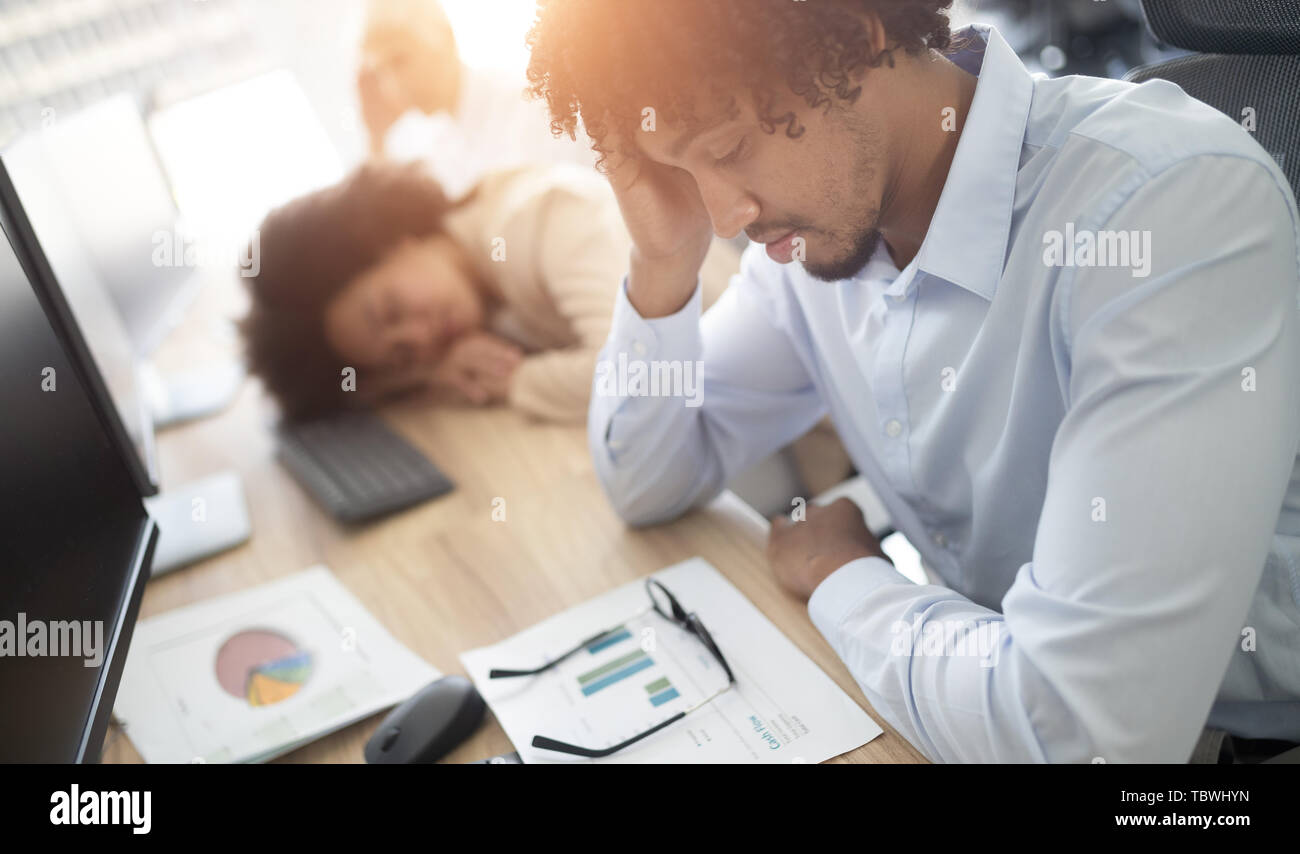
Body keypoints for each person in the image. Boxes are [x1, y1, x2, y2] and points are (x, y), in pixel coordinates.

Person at [525, 0, 1300, 762]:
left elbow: (1083, 737)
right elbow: (647, 481)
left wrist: (840, 574)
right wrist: (663, 263)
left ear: (855, 34)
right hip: (952, 712)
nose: (725, 216)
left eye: (727, 147)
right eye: (679, 169)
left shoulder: (1162, 207)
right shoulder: (813, 239)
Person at [240, 160, 740, 424]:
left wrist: (511, 381)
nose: (422, 335)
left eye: (390, 310)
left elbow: (637, 374)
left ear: (389, 236)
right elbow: (362, 391)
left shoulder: (541, 217)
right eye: (403, 355)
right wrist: (430, 375)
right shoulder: (482, 290)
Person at [358, 0, 591, 198]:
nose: (394, 85)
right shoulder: (417, 146)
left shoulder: (529, 104)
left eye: (400, 61)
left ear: (445, 36)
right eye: (381, 72)